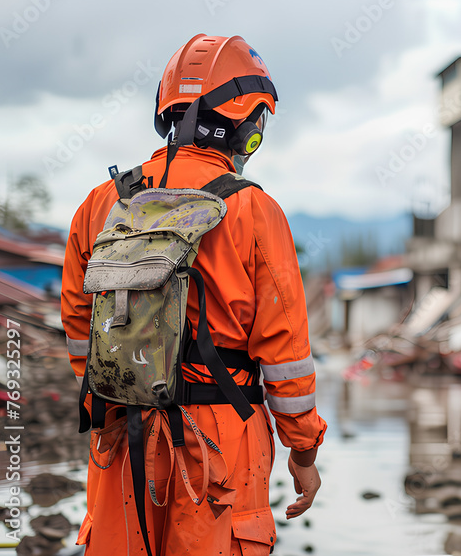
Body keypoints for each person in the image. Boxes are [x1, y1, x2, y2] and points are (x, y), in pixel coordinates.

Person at [61, 34, 326, 555]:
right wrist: (303, 451)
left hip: (120, 432)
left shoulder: (100, 204)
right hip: (219, 444)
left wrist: (129, 382)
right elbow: (284, 351)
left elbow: (77, 324)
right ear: (245, 126)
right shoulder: (253, 210)